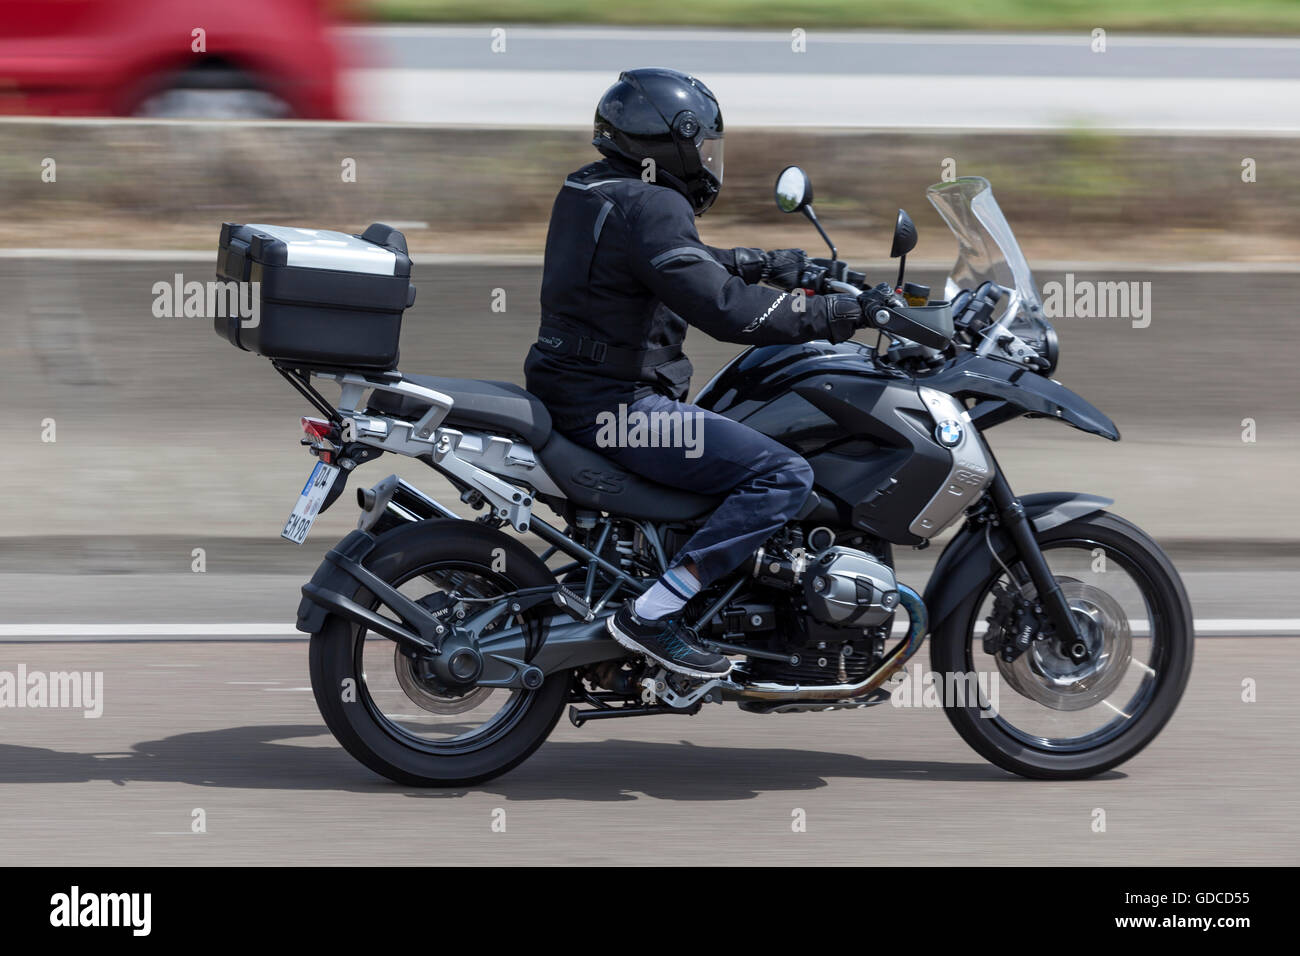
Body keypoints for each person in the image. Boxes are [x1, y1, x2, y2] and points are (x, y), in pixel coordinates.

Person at [524, 68, 866, 680]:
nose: (709, 159)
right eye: (705, 145)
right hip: (621, 413)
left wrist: (765, 263)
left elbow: (667, 264)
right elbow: (726, 311)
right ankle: (655, 614)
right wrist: (834, 313)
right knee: (783, 473)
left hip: (572, 392)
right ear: (674, 141)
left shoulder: (593, 188)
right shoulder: (655, 202)